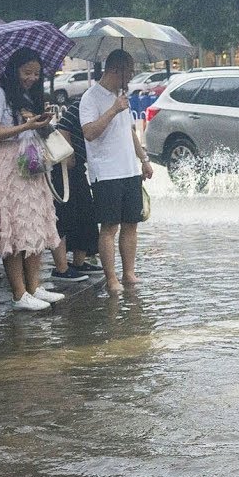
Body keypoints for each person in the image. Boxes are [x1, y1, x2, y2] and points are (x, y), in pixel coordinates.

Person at [0, 48, 64, 311]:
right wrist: (25, 126)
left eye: (36, 73)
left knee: (37, 222)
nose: (31, 78)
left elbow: (32, 131)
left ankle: (35, 286)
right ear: (14, 69)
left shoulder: (28, 95)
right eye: (27, 72)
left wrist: (42, 123)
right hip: (9, 168)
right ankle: (19, 293)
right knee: (15, 228)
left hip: (32, 164)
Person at [80, 49, 153, 294]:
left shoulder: (122, 96)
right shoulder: (91, 98)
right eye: (128, 72)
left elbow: (129, 131)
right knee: (110, 227)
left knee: (131, 223)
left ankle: (129, 272)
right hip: (106, 171)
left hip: (128, 169)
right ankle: (111, 278)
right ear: (114, 70)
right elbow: (89, 133)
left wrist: (143, 158)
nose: (131, 77)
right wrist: (112, 110)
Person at [49, 101, 98, 282]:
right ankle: (61, 268)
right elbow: (62, 127)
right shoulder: (85, 103)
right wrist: (67, 156)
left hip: (78, 167)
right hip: (63, 167)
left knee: (85, 212)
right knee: (64, 214)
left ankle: (78, 263)